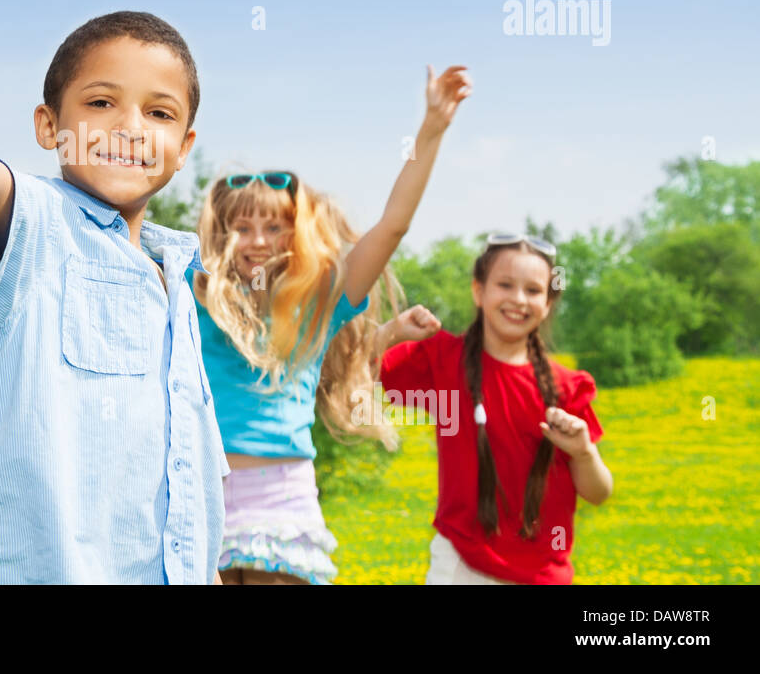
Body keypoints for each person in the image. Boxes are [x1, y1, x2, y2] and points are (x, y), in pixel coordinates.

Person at [0, 10, 226, 583]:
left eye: (159, 113)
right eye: (101, 103)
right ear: (49, 126)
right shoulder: (31, 222)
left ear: (184, 146)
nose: (130, 126)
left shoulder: (175, 277)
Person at [192, 65, 472, 584]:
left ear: (293, 234)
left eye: (273, 227)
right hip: (199, 494)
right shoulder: (198, 293)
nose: (257, 241)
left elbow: (393, 225)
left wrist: (430, 129)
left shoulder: (321, 301)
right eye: (243, 227)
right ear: (222, 231)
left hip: (281, 495)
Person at [379, 234, 614, 584]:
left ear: (548, 303)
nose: (518, 299)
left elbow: (599, 492)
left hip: (543, 576)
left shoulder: (566, 387)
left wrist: (583, 453)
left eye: (534, 291)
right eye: (505, 285)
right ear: (478, 291)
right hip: (460, 566)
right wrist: (391, 331)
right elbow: (346, 366)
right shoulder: (442, 359)